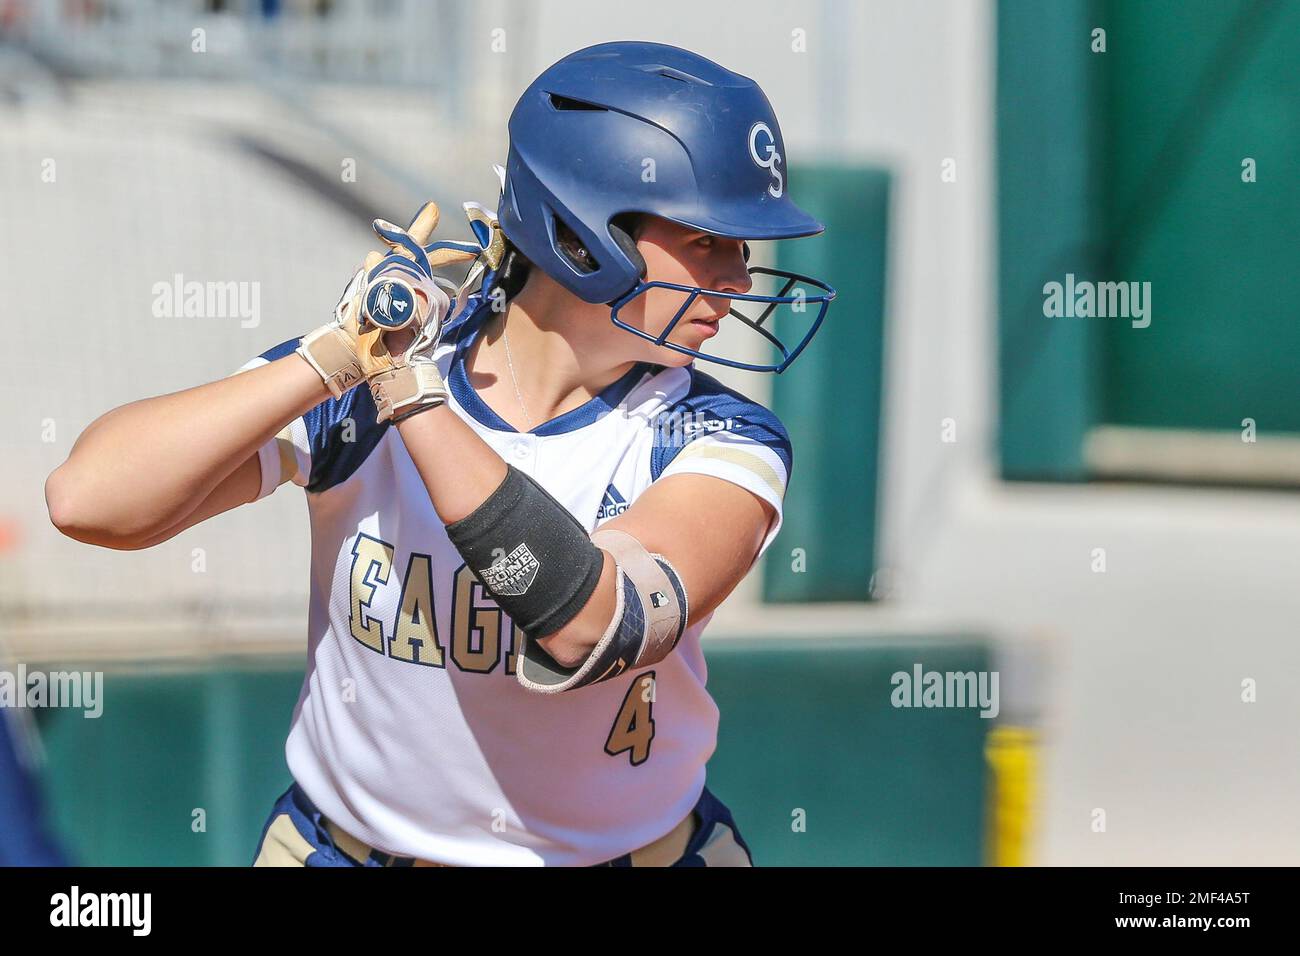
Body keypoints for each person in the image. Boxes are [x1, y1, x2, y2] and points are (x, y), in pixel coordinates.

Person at [45, 40, 834, 867]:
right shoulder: (366, 380)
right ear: (582, 234)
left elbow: (595, 624)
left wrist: (411, 392)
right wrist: (332, 360)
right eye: (709, 240)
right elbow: (90, 502)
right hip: (352, 851)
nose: (740, 279)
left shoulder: (718, 435)